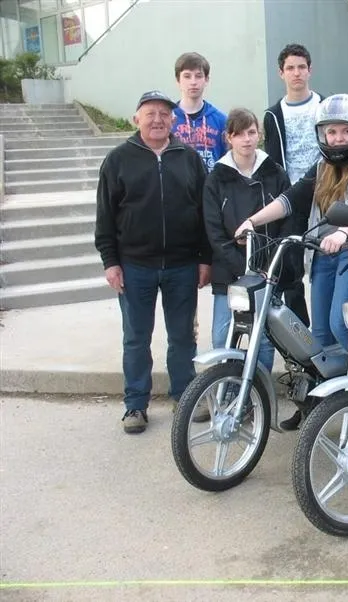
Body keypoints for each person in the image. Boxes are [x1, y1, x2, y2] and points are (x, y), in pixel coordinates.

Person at [237, 94, 348, 430]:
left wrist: (343, 232)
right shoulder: (322, 168)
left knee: (341, 326)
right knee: (318, 336)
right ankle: (322, 406)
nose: (337, 138)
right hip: (323, 254)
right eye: (331, 132)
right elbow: (291, 199)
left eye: (345, 131)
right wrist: (253, 221)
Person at [95, 90, 211, 434]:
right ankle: (135, 405)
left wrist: (205, 258)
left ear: (173, 120)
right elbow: (105, 217)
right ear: (137, 119)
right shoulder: (118, 160)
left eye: (164, 113)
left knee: (183, 337)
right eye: (150, 113)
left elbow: (204, 213)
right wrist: (110, 262)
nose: (158, 119)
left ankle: (184, 397)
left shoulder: (189, 158)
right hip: (135, 266)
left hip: (182, 265)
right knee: (136, 338)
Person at [202, 108, 292, 420]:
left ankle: (257, 398)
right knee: (222, 335)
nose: (246, 139)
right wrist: (242, 268)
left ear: (259, 135)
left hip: (267, 272)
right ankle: (227, 395)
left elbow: (286, 220)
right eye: (239, 134)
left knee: (263, 340)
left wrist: (269, 265)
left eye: (251, 132)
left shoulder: (275, 173)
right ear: (228, 138)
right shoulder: (216, 178)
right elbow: (214, 231)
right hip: (229, 273)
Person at [261, 42, 324, 329]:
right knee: (291, 269)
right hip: (292, 199)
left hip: (326, 195)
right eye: (290, 68)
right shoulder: (273, 115)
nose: (296, 73)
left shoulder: (325, 105)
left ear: (310, 70)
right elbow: (273, 162)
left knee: (327, 263)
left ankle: (327, 331)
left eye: (301, 67)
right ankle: (300, 333)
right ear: (281, 73)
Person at [171, 52, 227, 171]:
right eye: (187, 76)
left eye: (198, 76)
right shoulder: (168, 119)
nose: (193, 82)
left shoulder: (221, 120)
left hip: (212, 181)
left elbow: (229, 159)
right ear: (178, 80)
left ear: (206, 80)